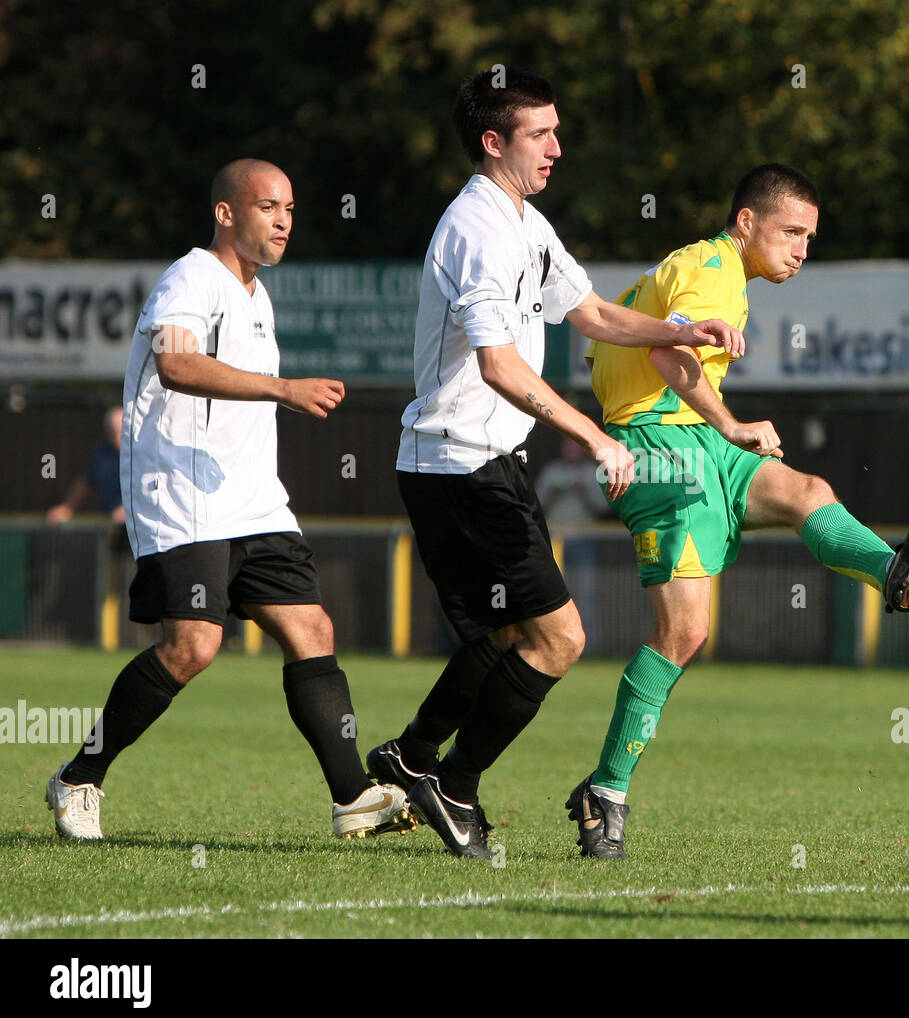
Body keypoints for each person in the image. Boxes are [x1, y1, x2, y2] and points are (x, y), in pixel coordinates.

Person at [364, 68, 745, 859]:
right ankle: (456, 787)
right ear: (493, 142)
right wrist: (598, 437)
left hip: (478, 463)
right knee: (559, 639)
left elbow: (598, 315)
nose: (558, 148)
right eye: (541, 134)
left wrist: (683, 331)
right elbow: (500, 365)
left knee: (505, 637)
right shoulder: (477, 230)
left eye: (557, 131)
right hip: (459, 467)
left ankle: (411, 757)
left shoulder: (526, 222)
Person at [566, 164, 909, 859]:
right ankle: (607, 791)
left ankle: (892, 574)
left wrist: (721, 430)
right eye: (791, 232)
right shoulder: (709, 268)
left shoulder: (723, 276)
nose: (802, 248)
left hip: (695, 440)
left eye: (809, 236)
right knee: (683, 636)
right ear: (746, 223)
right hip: (659, 447)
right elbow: (664, 349)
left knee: (808, 493)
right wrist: (731, 424)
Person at [45, 159, 414, 842]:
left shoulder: (256, 296)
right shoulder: (191, 278)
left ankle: (353, 797)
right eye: (268, 206)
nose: (283, 221)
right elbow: (176, 364)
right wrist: (284, 389)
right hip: (182, 495)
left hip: (253, 501)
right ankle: (79, 777)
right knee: (193, 646)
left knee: (313, 631)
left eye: (291, 210)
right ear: (225, 213)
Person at [534, 437, 614, 650]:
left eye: (575, 447)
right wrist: (554, 490)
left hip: (584, 540)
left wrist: (583, 489)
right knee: (551, 595)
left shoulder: (592, 472)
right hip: (554, 541)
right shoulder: (551, 471)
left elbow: (603, 508)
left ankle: (589, 647)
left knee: (584, 593)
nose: (571, 451)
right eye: (568, 447)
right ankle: (550, 644)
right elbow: (536, 505)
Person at [46, 406, 126, 528]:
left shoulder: (143, 453)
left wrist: (128, 509)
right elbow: (85, 482)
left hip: (139, 527)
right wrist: (67, 508)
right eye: (113, 431)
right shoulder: (103, 454)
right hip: (111, 528)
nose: (117, 436)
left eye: (121, 431)